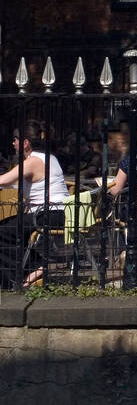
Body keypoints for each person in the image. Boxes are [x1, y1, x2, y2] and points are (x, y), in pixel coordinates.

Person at [0, 121, 70, 288]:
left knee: (3, 231)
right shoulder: (49, 157)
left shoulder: (33, 161)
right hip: (57, 212)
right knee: (9, 230)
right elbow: (15, 184)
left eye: (15, 139)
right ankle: (28, 270)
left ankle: (34, 268)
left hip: (49, 214)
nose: (13, 143)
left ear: (25, 142)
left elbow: (3, 180)